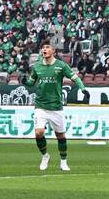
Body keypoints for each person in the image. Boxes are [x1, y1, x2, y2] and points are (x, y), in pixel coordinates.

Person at [26, 41, 83, 172]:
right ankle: (45, 156)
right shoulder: (37, 66)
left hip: (56, 107)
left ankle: (63, 161)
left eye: (47, 47)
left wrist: (82, 88)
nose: (44, 49)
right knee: (39, 132)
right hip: (40, 105)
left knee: (60, 136)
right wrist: (26, 81)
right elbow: (31, 81)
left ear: (53, 51)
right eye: (43, 47)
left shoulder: (61, 66)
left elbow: (75, 78)